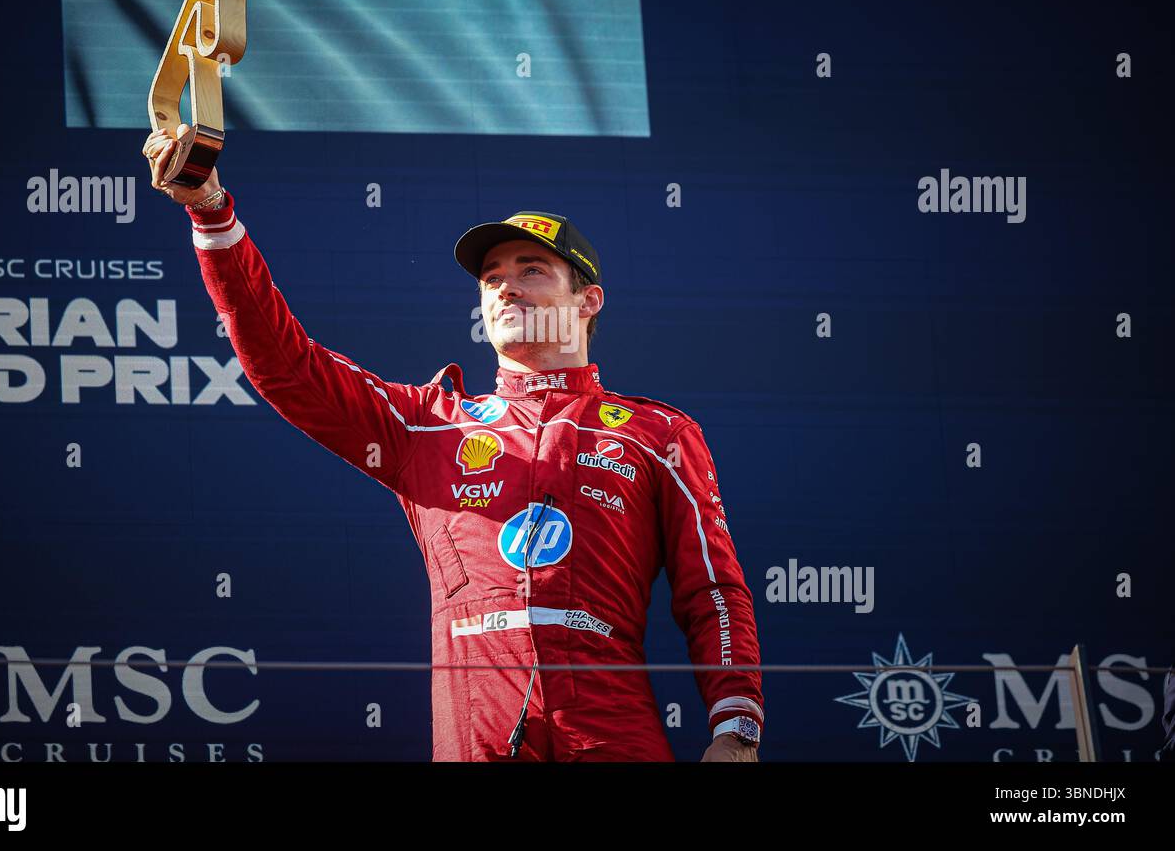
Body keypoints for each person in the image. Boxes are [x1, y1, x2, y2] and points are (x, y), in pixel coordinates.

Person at [143, 124, 764, 761]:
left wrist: (736, 729)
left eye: (532, 269)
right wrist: (209, 210)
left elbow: (712, 591)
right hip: (477, 730)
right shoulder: (428, 423)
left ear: (588, 301)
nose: (505, 285)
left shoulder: (658, 434)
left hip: (611, 726)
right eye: (491, 276)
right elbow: (286, 366)